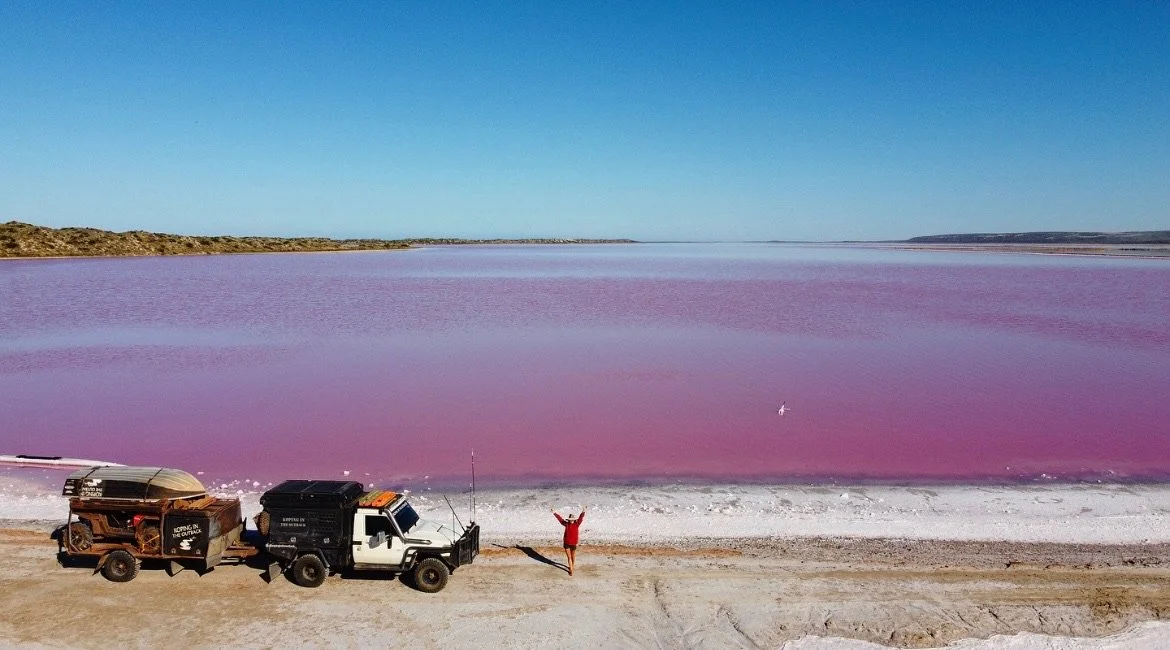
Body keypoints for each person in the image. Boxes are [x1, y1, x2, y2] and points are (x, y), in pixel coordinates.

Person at [552, 507, 585, 576]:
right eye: (570, 520)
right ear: (569, 520)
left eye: (572, 520)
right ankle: (571, 569)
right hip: (568, 543)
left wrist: (583, 512)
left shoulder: (572, 524)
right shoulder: (571, 524)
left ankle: (571, 567)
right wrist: (554, 513)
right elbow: (560, 519)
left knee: (571, 557)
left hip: (570, 543)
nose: (571, 521)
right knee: (571, 557)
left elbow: (581, 518)